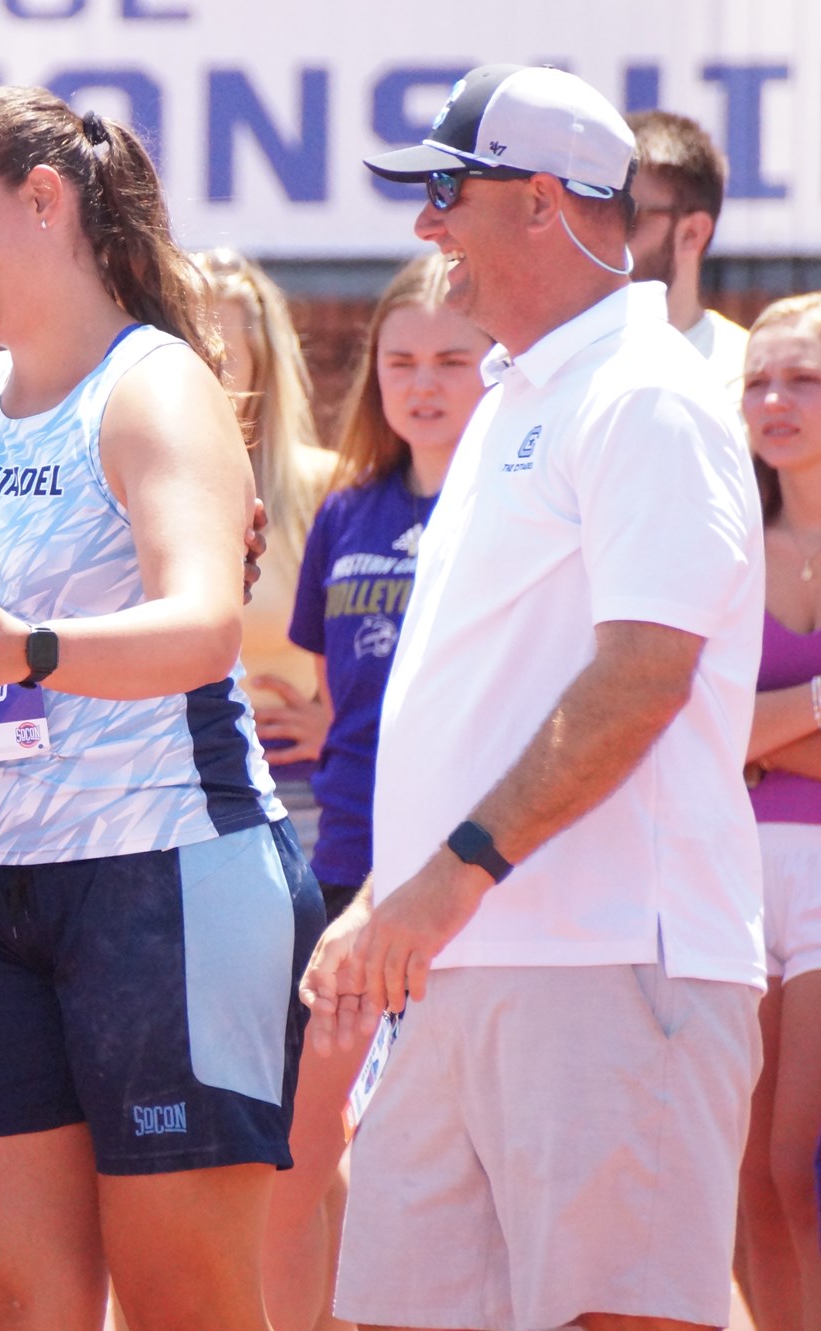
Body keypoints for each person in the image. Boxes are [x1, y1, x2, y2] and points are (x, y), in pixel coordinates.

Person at [307, 64, 767, 1331]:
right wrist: (398, 899)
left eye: (446, 189)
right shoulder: (531, 390)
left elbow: (641, 675)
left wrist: (441, 878)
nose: (424, 226)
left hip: (611, 956)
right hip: (463, 957)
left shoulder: (646, 397)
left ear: (544, 203)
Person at [0, 87, 323, 1330]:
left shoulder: (153, 385)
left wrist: (18, 647)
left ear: (47, 200)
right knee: (22, 1307)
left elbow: (198, 628)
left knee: (183, 1306)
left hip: (164, 874)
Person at [264, 250, 492, 1331]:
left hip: (468, 879)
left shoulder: (513, 507)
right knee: (304, 1145)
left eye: (453, 356)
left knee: (441, 1160)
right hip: (342, 864)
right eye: (401, 359)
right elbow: (330, 683)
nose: (424, 381)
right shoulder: (348, 511)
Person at [734, 291, 821, 1331]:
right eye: (757, 378)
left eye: (802, 377)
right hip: (730, 861)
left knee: (800, 1152)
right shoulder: (726, 537)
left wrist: (755, 732)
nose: (773, 398)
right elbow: (690, 721)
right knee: (747, 1165)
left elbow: (728, 728)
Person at [195, 248, 336, 855]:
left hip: (303, 797)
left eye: (219, 356)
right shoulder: (126, 492)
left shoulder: (331, 488)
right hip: (168, 797)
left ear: (263, 363)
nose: (201, 373)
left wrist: (344, 729)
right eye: (183, 351)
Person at [625, 109, 749, 395]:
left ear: (692, 234)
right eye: (596, 212)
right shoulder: (553, 365)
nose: (605, 234)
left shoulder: (745, 379)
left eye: (627, 216)